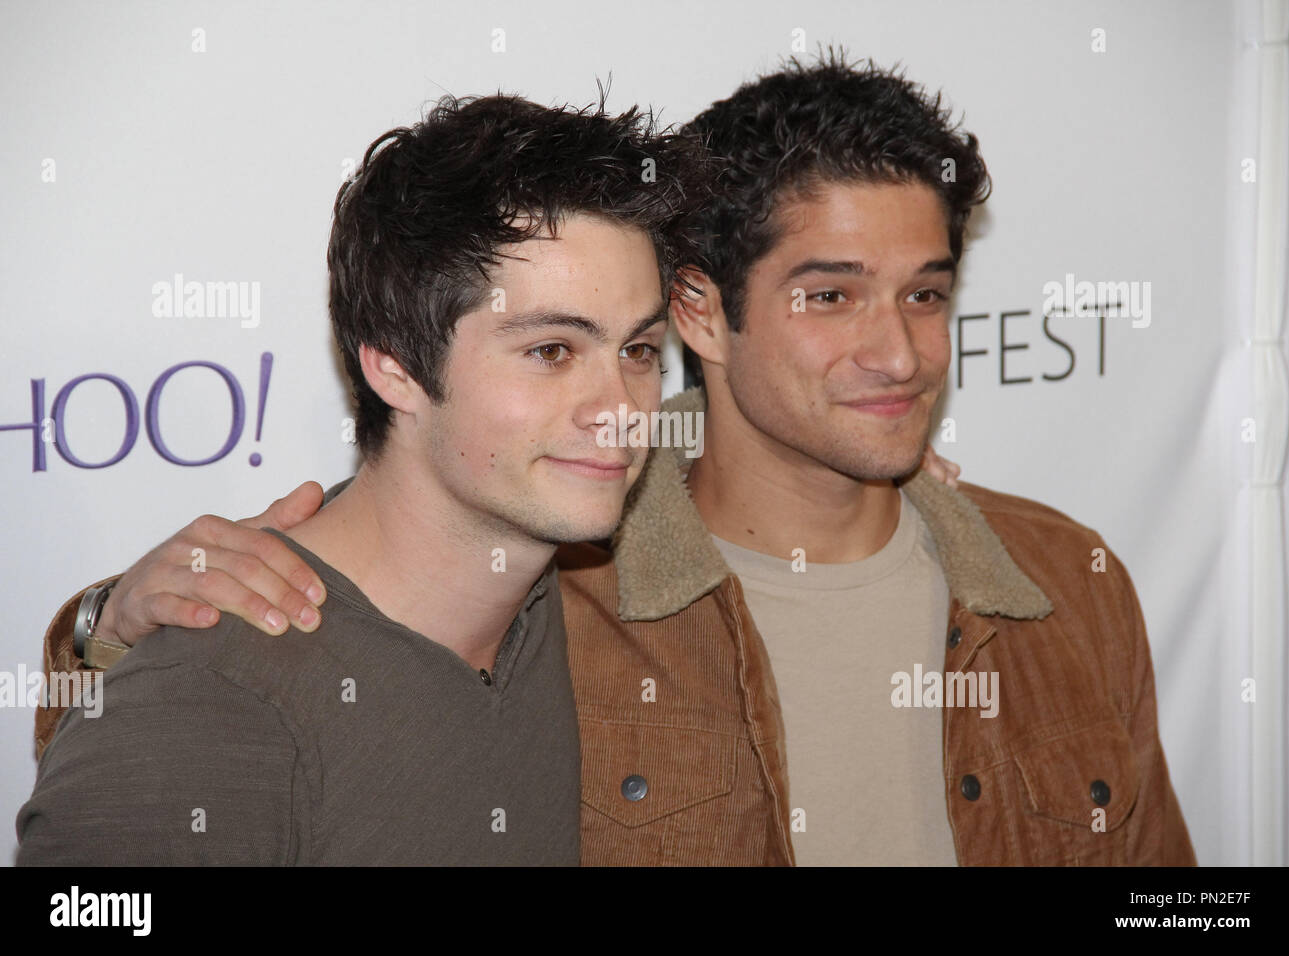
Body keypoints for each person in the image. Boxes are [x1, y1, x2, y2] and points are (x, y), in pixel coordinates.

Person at [28, 53, 1195, 866]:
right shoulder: (573, 591)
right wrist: (107, 630)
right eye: (829, 294)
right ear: (707, 312)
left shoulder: (1057, 577)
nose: (897, 350)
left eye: (928, 294)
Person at [17, 92, 705, 864]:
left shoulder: (596, 599)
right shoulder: (201, 708)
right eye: (551, 350)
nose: (618, 408)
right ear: (396, 366)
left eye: (639, 351)